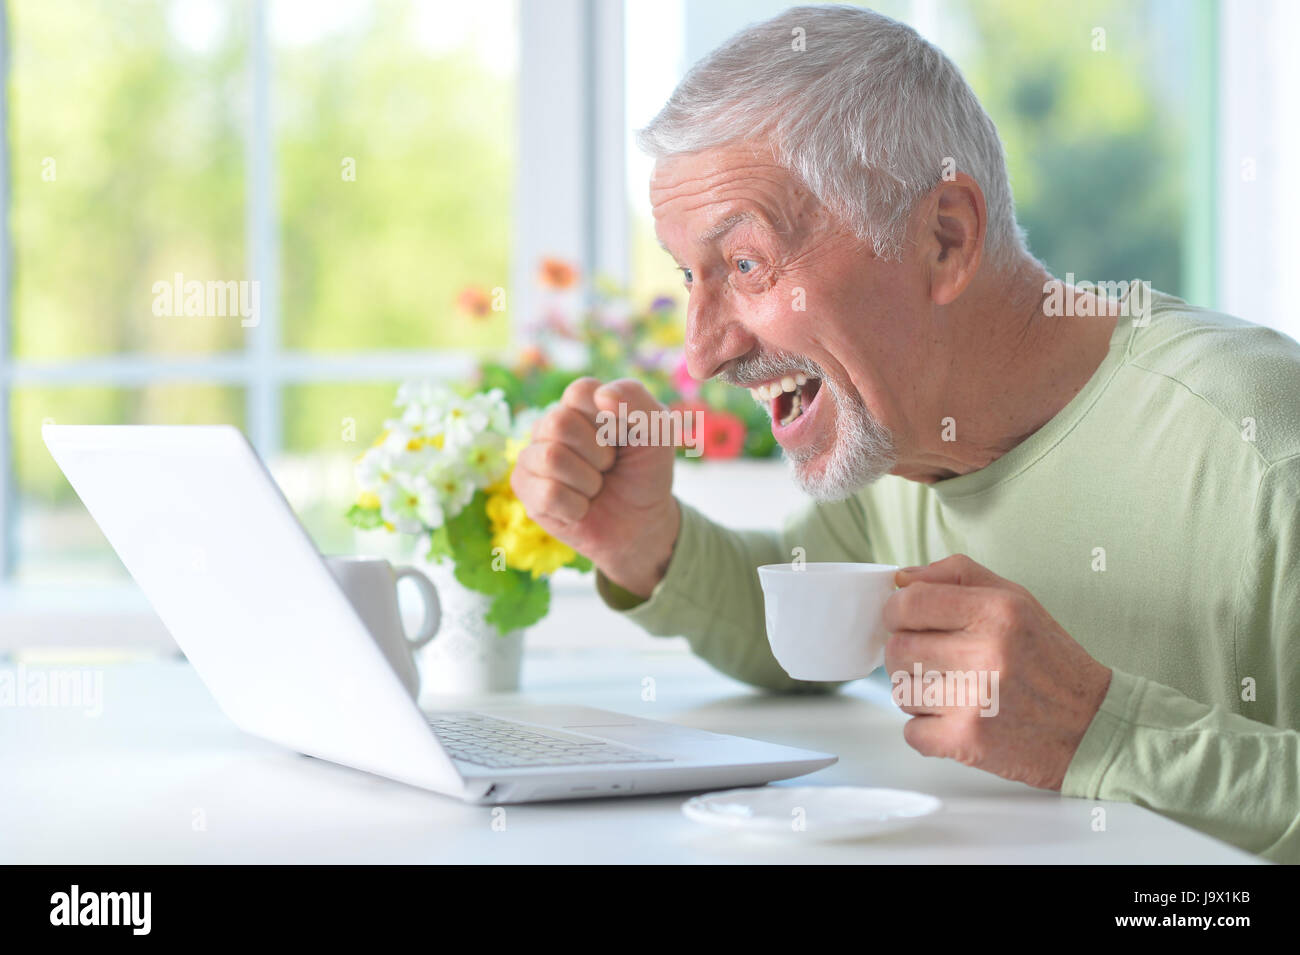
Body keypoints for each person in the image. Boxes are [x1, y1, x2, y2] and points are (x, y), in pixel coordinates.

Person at [511, 4, 1300, 862]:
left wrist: (1104, 733)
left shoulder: (1260, 443)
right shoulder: (898, 440)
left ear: (945, 237)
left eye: (745, 264)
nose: (702, 352)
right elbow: (811, 635)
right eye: (688, 276)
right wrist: (646, 541)